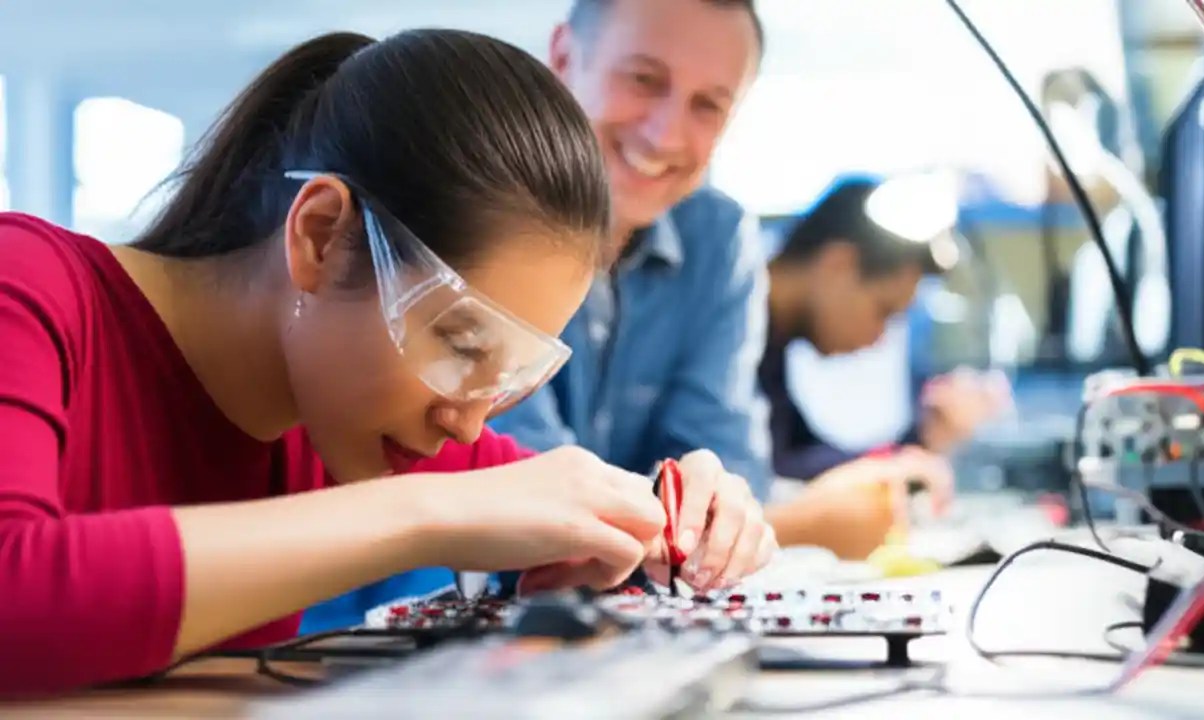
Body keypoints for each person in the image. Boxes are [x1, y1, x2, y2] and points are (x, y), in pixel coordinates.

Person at [0, 28, 774, 696]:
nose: (467, 420)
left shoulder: (342, 417)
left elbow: (576, 519)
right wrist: (431, 519)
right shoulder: (27, 285)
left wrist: (676, 516)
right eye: (462, 343)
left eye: (505, 373)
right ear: (321, 234)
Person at [490, 0, 774, 509]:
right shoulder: (474, 212)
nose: (665, 134)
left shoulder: (718, 238)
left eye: (708, 105)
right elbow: (521, 486)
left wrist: (715, 511)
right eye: (643, 79)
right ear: (563, 59)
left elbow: (723, 464)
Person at [759, 175, 1011, 558]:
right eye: (883, 311)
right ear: (838, 265)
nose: (878, 337)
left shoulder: (770, 342)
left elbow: (792, 459)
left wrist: (917, 446)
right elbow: (763, 476)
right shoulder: (729, 329)